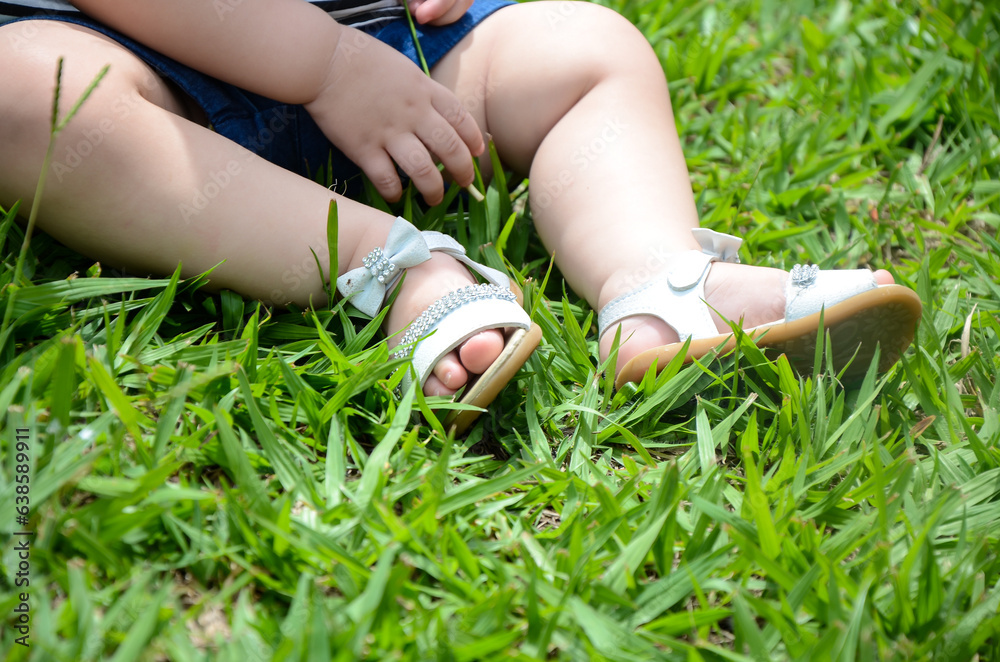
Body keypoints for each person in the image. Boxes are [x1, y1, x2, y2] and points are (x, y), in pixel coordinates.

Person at [0, 0, 922, 432]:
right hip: (153, 71)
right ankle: (395, 265)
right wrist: (321, 67)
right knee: (24, 95)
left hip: (398, 51)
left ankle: (657, 286)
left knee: (585, 51)